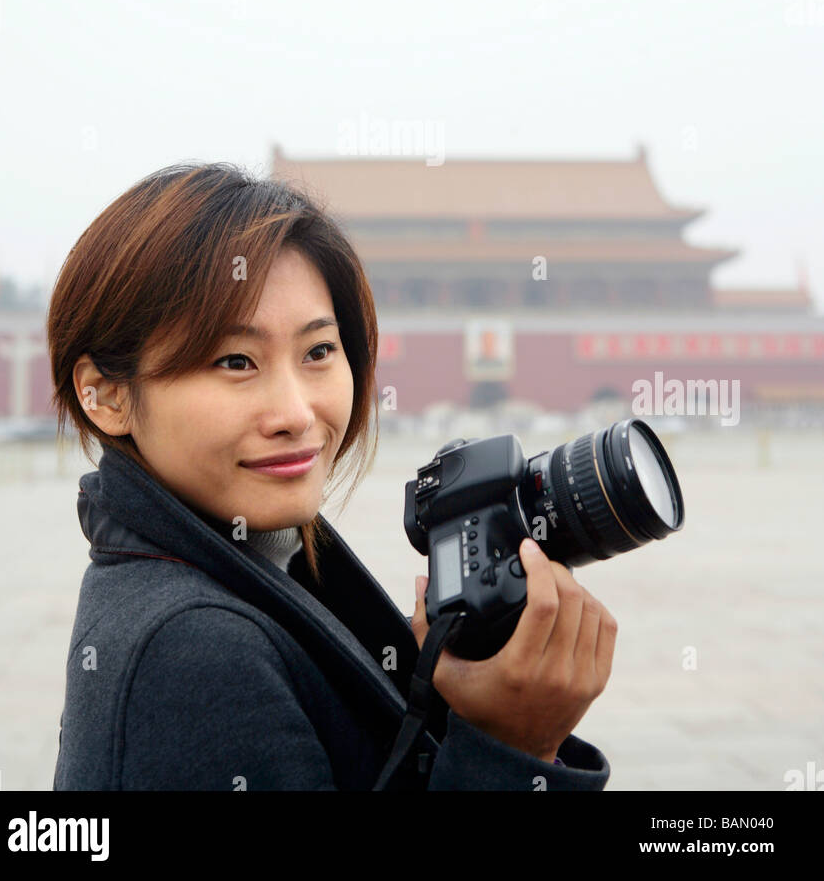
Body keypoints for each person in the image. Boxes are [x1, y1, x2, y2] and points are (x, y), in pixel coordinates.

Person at [50, 161, 617, 791]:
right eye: (236, 361)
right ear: (106, 395)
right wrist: (512, 748)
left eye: (319, 351)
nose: (296, 414)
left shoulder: (244, 566)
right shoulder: (191, 651)